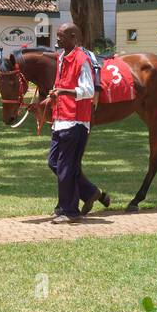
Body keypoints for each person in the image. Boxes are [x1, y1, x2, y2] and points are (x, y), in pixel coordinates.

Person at [48, 24, 109, 223]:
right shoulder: (61, 58)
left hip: (75, 122)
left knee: (66, 167)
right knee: (54, 163)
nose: (57, 40)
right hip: (60, 120)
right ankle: (90, 192)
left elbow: (89, 91)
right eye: (57, 36)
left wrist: (63, 92)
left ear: (73, 37)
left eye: (61, 36)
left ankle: (69, 211)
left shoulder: (82, 60)